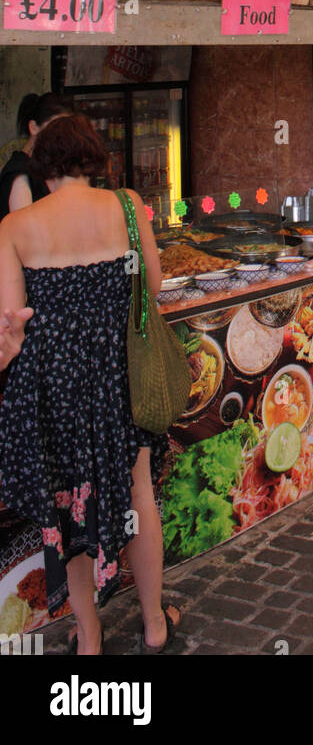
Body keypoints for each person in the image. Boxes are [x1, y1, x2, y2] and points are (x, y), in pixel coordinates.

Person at [0, 114, 180, 655]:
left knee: (68, 503)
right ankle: (154, 623)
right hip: (116, 372)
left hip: (51, 381)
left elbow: (13, 322)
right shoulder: (126, 205)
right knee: (139, 492)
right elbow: (151, 284)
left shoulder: (15, 226)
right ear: (93, 159)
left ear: (44, 167)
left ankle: (90, 636)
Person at [0, 92, 70, 220]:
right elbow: (24, 228)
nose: (62, 136)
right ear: (33, 127)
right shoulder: (20, 174)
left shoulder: (41, 168)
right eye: (55, 128)